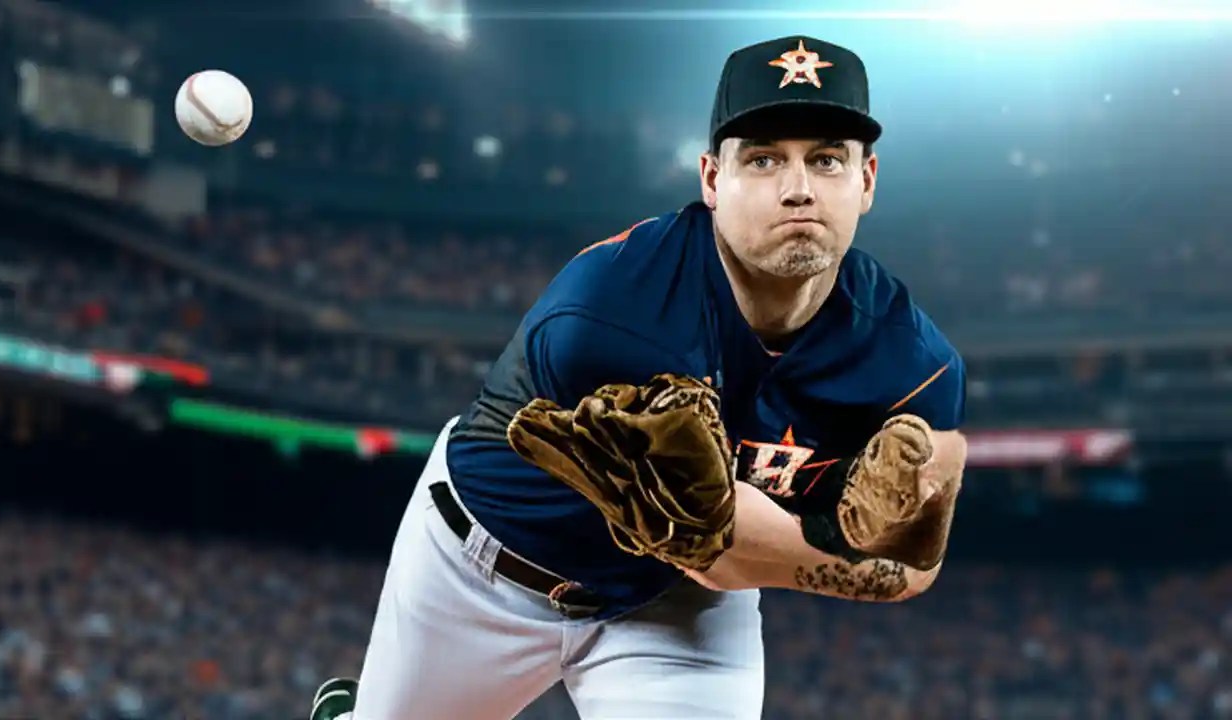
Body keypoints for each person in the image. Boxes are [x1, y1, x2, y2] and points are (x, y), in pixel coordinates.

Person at [311, 34, 968, 720]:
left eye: (827, 160)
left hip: (674, 609)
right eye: (766, 159)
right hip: (484, 574)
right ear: (713, 180)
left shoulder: (918, 368)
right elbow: (716, 553)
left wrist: (874, 557)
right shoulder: (610, 311)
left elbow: (912, 568)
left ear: (866, 181)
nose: (798, 189)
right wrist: (837, 552)